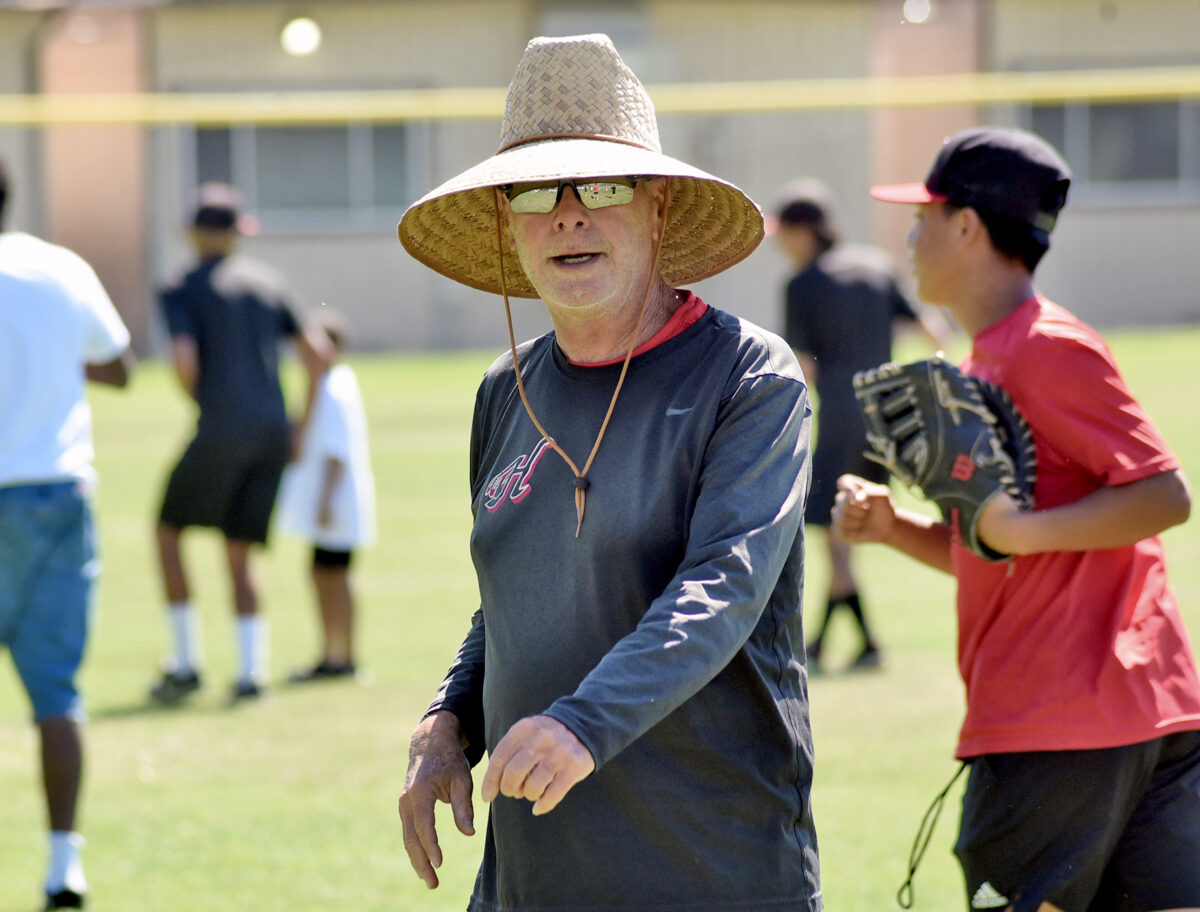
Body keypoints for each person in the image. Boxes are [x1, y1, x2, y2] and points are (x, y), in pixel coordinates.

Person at [395, 34, 821, 912]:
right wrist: (450, 719)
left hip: (716, 871)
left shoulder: (748, 376)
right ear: (507, 224)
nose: (568, 214)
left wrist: (582, 723)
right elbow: (514, 594)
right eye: (537, 191)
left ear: (658, 206)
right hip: (535, 877)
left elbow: (724, 586)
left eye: (601, 185)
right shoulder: (501, 393)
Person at [833, 126, 1200, 911]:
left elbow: (1164, 495)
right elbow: (995, 545)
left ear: (967, 226)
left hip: (1059, 727)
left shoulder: (1044, 345)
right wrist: (894, 527)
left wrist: (1016, 529)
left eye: (924, 216)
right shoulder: (987, 361)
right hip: (1132, 714)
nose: (909, 234)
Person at [0, 157, 135, 909]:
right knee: (57, 696)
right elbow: (120, 366)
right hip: (55, 495)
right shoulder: (59, 268)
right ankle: (63, 866)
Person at [149, 183, 330, 705]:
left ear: (191, 231)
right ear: (239, 232)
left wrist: (200, 401)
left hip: (221, 425)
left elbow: (184, 360)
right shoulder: (268, 284)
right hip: (274, 429)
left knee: (167, 532)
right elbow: (317, 354)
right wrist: (300, 427)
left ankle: (185, 665)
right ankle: (251, 675)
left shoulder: (181, 285)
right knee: (239, 551)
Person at [772, 177, 950, 672]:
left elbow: (801, 366)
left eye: (784, 234)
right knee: (852, 529)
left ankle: (850, 643)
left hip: (842, 420)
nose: (782, 246)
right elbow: (930, 327)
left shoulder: (802, 284)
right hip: (887, 420)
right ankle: (840, 642)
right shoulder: (878, 266)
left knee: (837, 530)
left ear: (804, 231)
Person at [276, 308, 376, 682]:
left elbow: (337, 453)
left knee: (334, 575)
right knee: (326, 573)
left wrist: (324, 501)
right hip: (331, 501)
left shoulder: (334, 388)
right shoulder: (334, 383)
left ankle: (342, 657)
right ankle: (333, 654)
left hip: (334, 502)